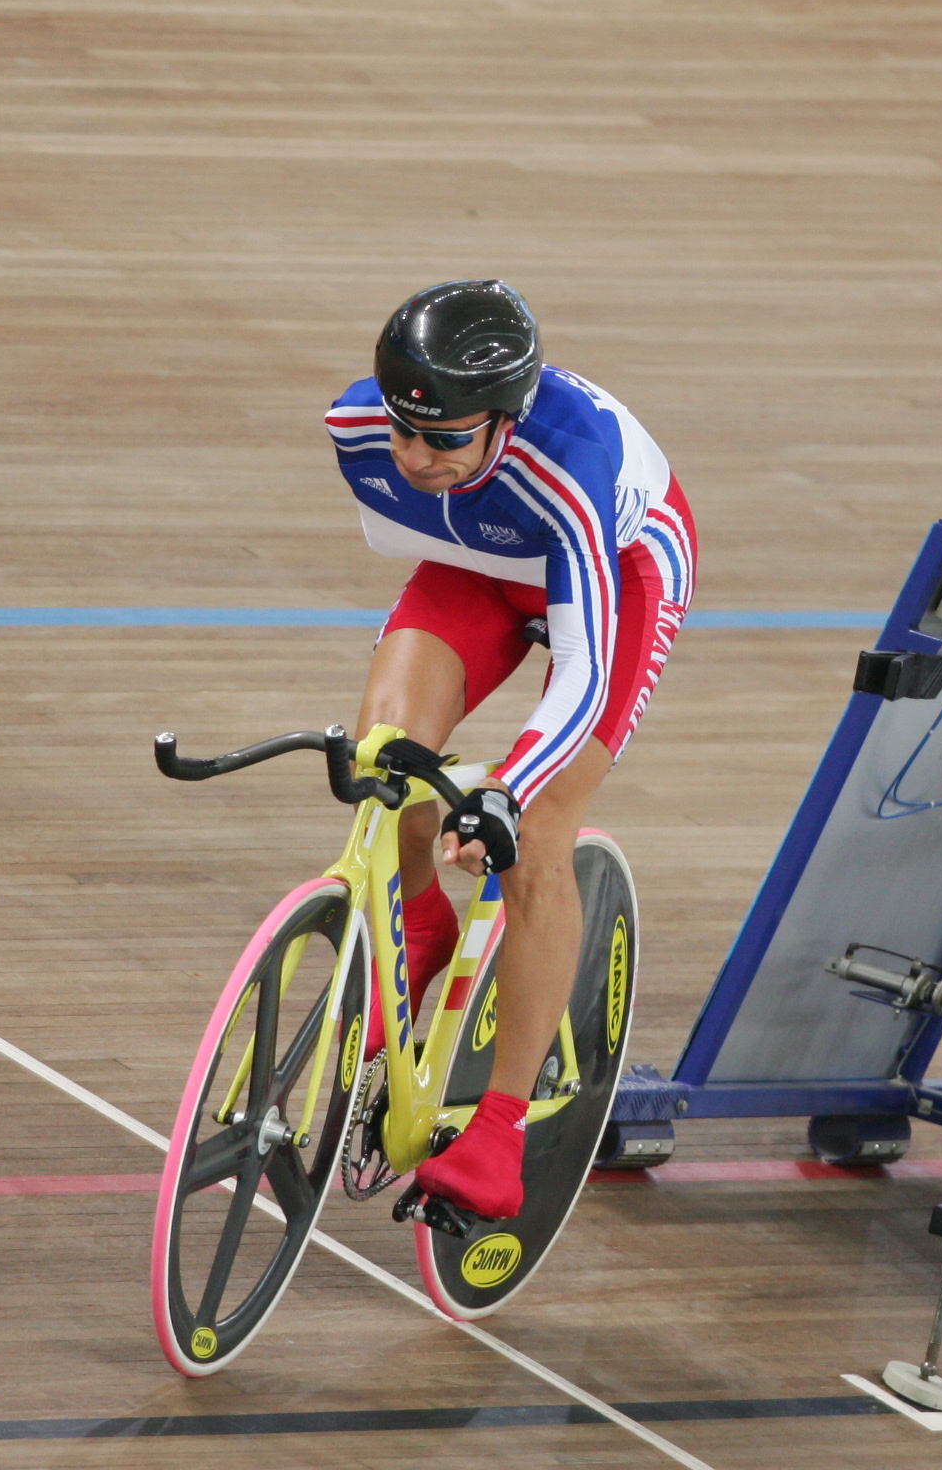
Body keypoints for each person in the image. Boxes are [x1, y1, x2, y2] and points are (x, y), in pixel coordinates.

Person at [328, 280, 694, 1220]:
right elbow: (434, 531)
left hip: (615, 567)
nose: (413, 457)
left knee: (532, 832)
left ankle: (498, 1132)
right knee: (385, 756)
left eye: (445, 439)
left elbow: (581, 673)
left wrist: (508, 788)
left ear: (504, 419)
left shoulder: (568, 468)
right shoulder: (359, 432)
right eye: (406, 431)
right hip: (487, 555)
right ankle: (420, 925)